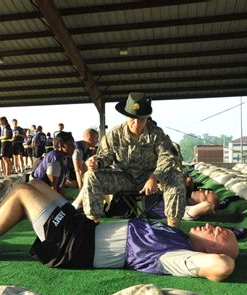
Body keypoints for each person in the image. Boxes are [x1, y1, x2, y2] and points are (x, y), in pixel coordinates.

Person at [0, 179, 238, 282]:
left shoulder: (179, 256)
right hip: (82, 229)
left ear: (209, 250)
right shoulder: (180, 234)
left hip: (75, 247)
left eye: (217, 234)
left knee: (20, 191)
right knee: (37, 184)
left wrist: (226, 257)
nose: (212, 226)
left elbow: (222, 265)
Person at [78, 92, 186, 227]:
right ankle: (92, 224)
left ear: (147, 118)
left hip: (150, 179)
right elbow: (106, 155)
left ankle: (173, 227)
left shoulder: (156, 134)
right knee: (90, 176)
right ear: (126, 115)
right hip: (125, 178)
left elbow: (167, 157)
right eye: (132, 118)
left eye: (141, 119)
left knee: (176, 177)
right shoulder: (115, 134)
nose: (136, 123)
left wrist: (155, 177)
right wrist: (97, 162)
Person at [32, 131, 75, 196]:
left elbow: (62, 185)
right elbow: (52, 187)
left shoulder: (67, 159)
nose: (74, 147)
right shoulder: (54, 158)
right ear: (61, 145)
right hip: (36, 188)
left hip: (48, 189)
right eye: (71, 144)